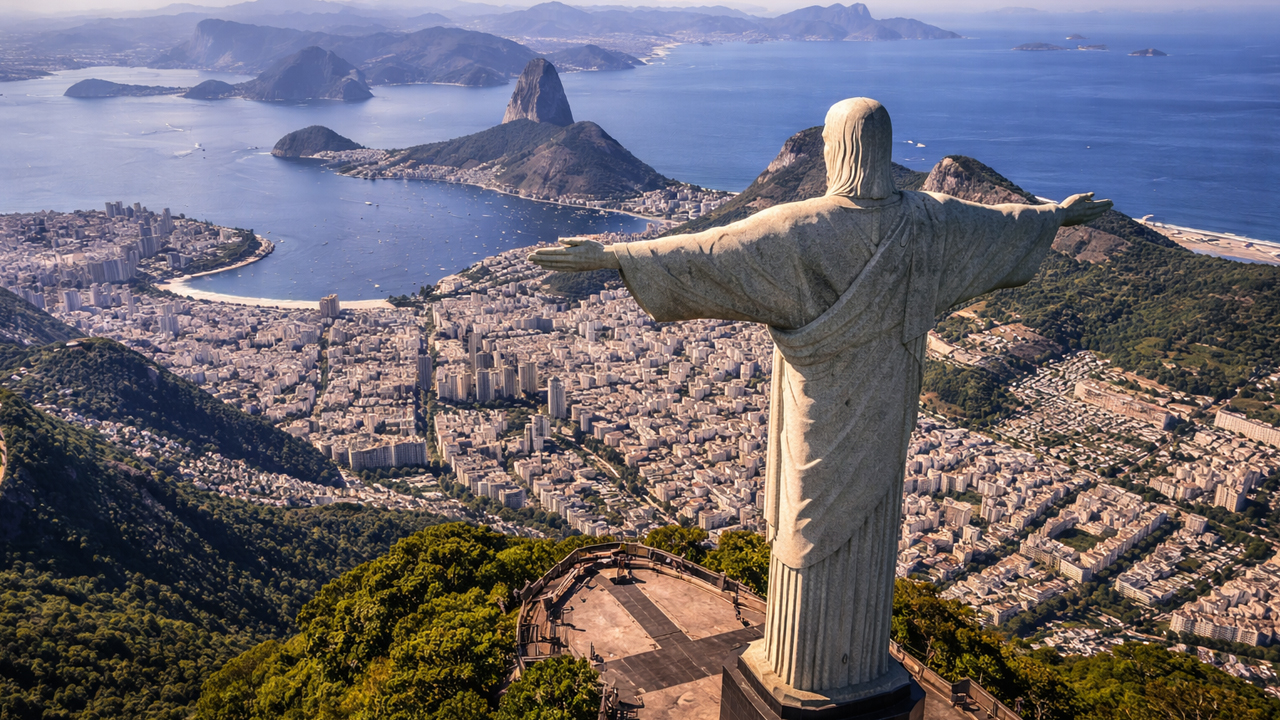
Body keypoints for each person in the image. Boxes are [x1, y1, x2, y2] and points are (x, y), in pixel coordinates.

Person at [529, 97, 1111, 697]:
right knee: (867, 522)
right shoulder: (930, 222)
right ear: (883, 151)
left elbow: (712, 251)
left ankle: (807, 668)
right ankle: (848, 669)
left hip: (817, 415)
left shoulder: (802, 227)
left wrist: (615, 256)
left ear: (839, 150)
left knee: (805, 523)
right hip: (888, 405)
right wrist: (1055, 217)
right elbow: (998, 225)